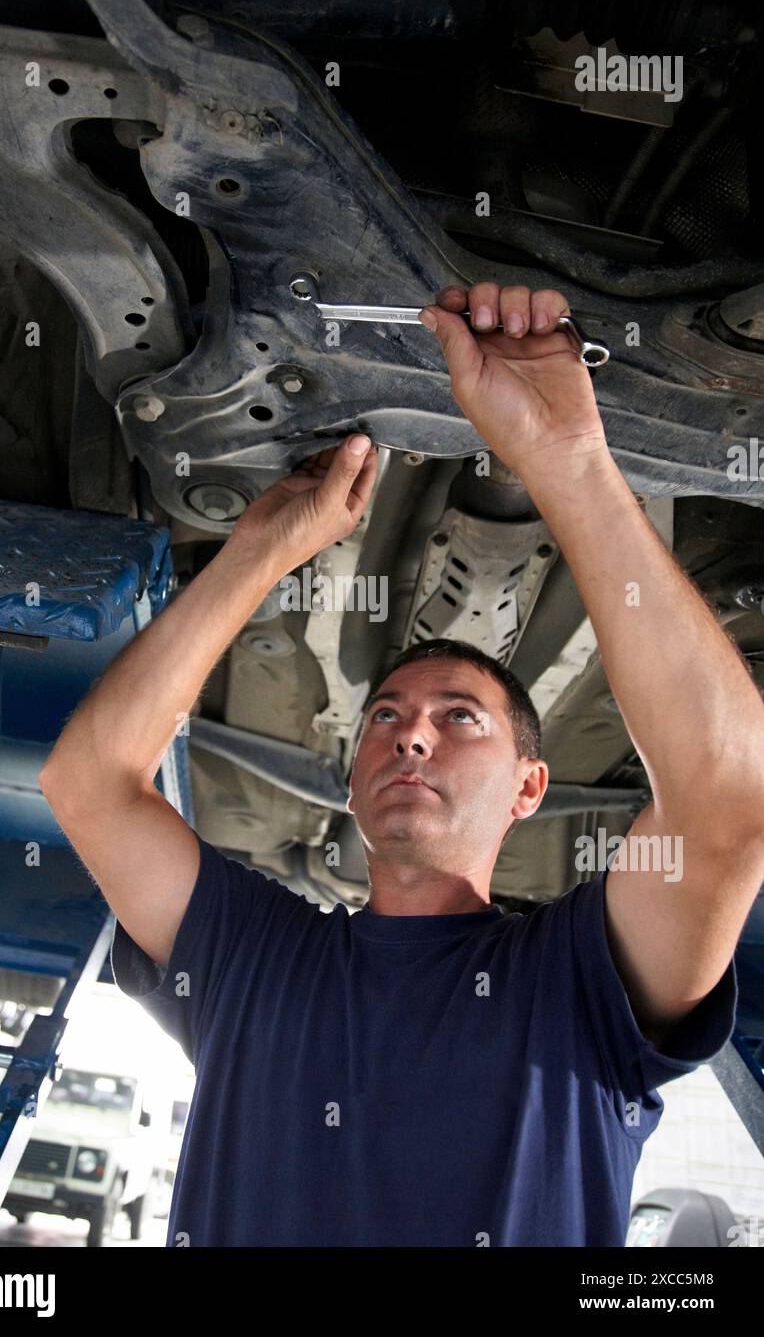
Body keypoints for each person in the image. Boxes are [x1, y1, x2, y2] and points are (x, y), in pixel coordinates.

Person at [40, 282, 762, 1247]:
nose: (410, 735)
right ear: (349, 780)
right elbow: (89, 785)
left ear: (529, 788)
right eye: (386, 716)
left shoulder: (579, 981)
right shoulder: (252, 959)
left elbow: (726, 805)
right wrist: (257, 549)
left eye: (459, 718)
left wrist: (569, 457)